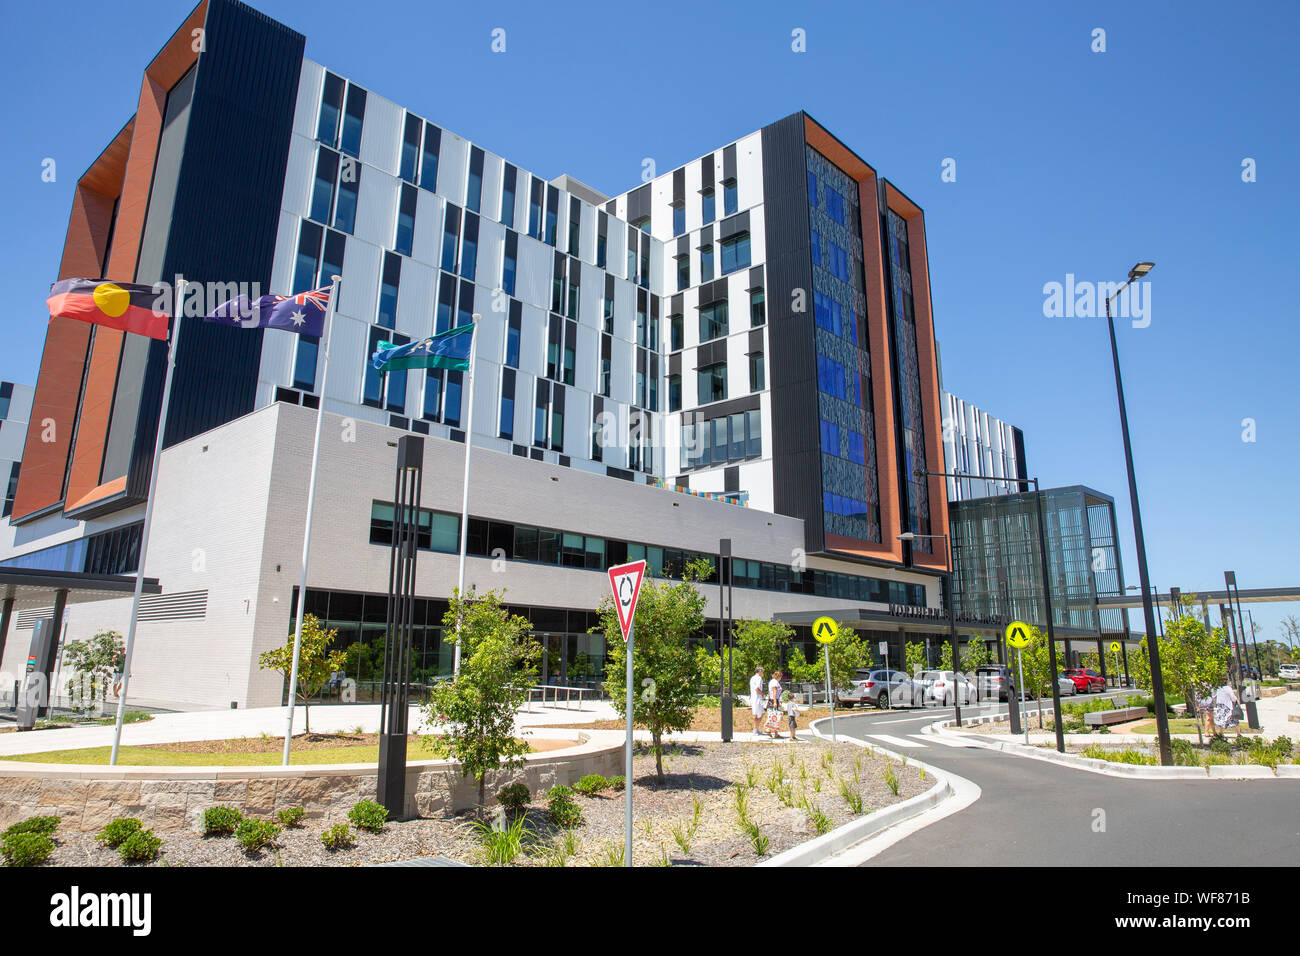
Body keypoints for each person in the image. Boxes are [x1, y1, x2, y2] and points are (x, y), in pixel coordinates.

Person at [749, 666, 766, 737]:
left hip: (754, 698)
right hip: (757, 698)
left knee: (761, 713)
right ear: (759, 671)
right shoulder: (759, 678)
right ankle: (755, 729)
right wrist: (762, 694)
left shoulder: (752, 678)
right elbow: (757, 688)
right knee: (758, 714)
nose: (763, 673)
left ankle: (757, 729)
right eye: (762, 671)